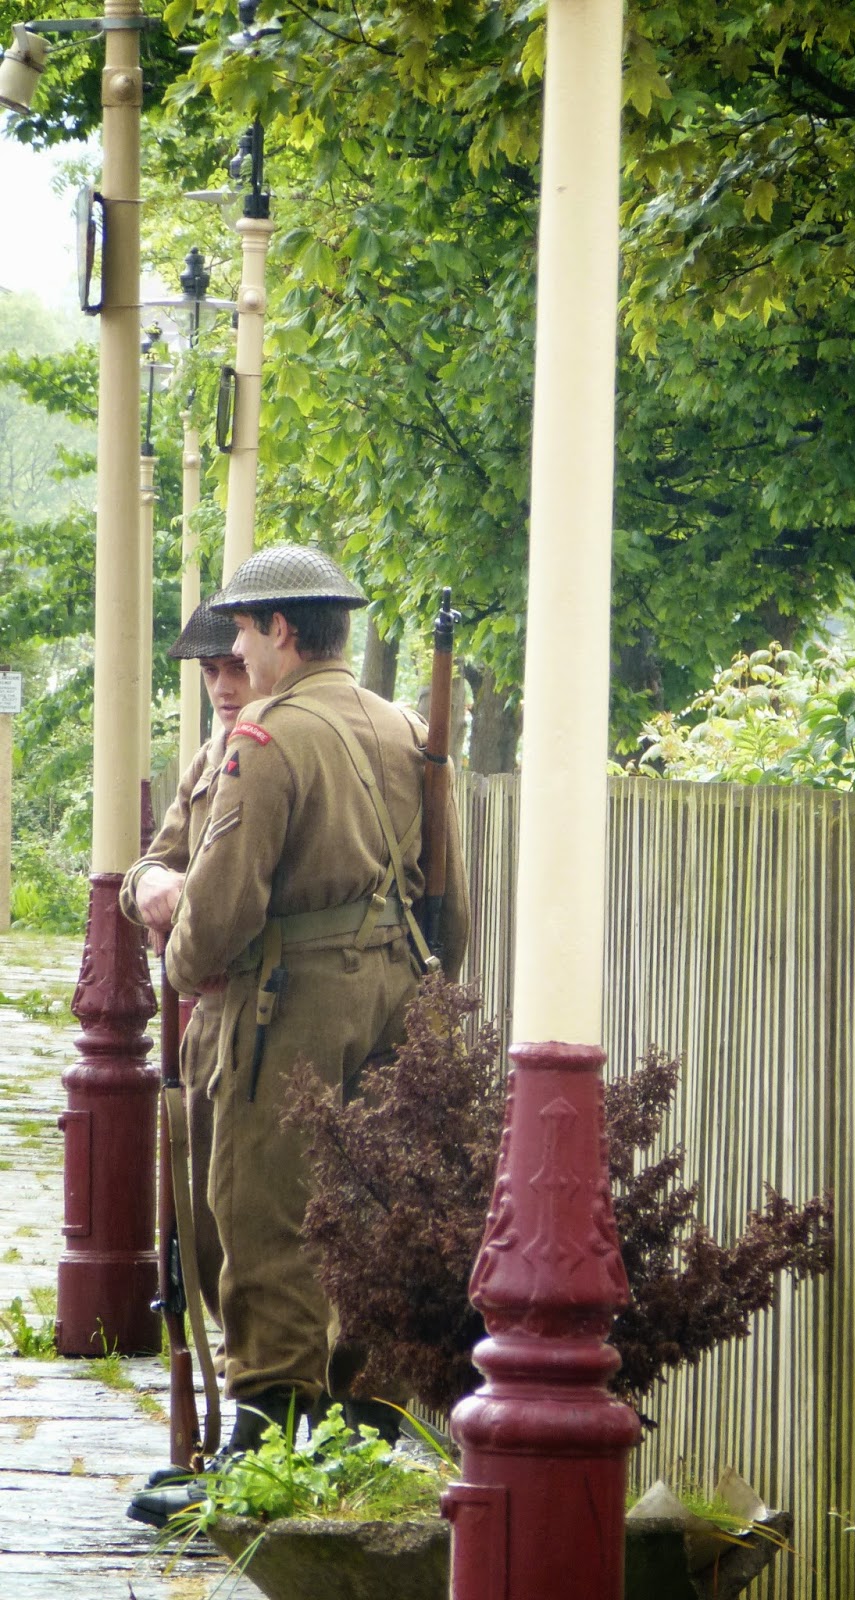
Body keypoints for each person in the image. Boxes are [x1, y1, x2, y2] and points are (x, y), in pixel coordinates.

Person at [138, 544, 469, 1519]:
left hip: (290, 1001)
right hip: (400, 997)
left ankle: (269, 1440)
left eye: (242, 630)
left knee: (265, 1212)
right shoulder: (404, 726)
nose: (236, 648)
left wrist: (180, 961)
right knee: (370, 1214)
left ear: (281, 630)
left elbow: (222, 908)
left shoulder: (267, 739)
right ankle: (359, 1428)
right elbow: (448, 889)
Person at [120, 598, 254, 1338]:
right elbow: (155, 861)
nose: (225, 686)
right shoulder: (208, 760)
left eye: (236, 666)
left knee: (248, 1222)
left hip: (257, 1009)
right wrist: (147, 887)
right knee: (200, 1219)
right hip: (205, 1021)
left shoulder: (281, 752)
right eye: (211, 672)